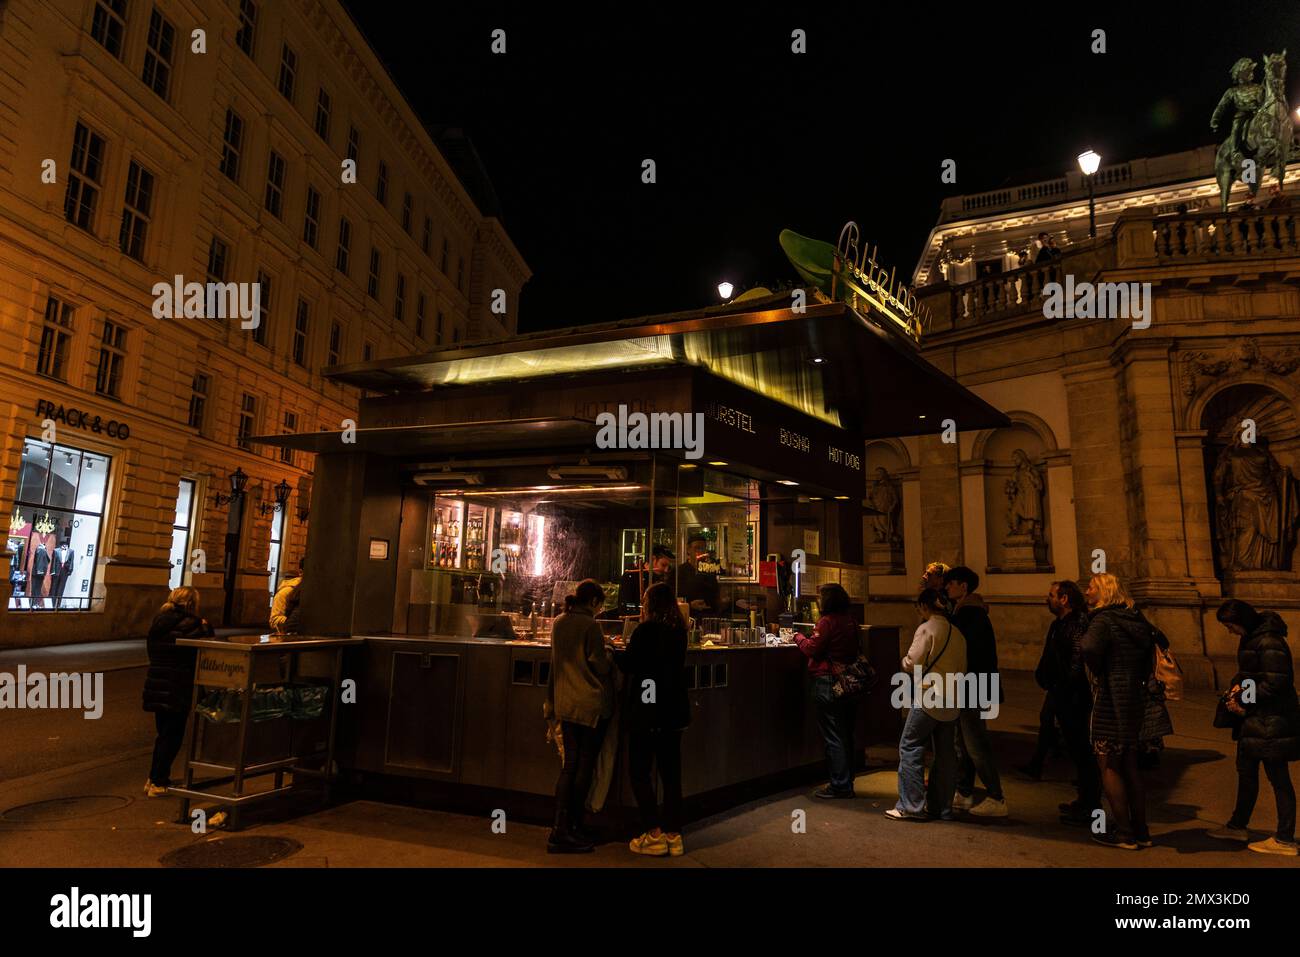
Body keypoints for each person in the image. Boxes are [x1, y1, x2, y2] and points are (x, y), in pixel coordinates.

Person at [1081, 572, 1172, 849]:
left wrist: (1099, 671)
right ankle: (1141, 830)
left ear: (1105, 592)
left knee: (1108, 764)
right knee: (1131, 766)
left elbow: (1088, 647)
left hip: (1111, 699)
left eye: (1092, 587)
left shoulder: (1103, 620)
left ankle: (1123, 832)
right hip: (1135, 698)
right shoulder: (1136, 619)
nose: (1086, 591)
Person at [1208, 599, 1300, 855]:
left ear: (1243, 621)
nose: (1229, 630)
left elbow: (1275, 683)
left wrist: (1242, 701)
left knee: (1278, 778)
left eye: (1230, 625)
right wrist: (1236, 692)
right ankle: (1238, 825)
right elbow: (1251, 675)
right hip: (1256, 720)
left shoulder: (1269, 641)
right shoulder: (1251, 637)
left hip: (1272, 721)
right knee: (1246, 772)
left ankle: (1285, 839)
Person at [615, 582, 691, 857]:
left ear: (650, 604)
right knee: (671, 775)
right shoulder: (680, 631)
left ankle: (653, 833)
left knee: (639, 771)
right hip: (674, 711)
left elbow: (632, 664)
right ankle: (674, 834)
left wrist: (613, 653)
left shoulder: (645, 630)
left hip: (647, 710)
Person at [544, 579, 614, 853]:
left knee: (569, 765)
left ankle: (559, 828)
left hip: (565, 702)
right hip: (588, 704)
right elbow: (600, 665)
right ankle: (573, 826)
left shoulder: (559, 622)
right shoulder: (591, 626)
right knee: (585, 766)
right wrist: (608, 651)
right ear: (595, 602)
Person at [887, 588, 967, 821]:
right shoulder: (958, 634)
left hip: (929, 696)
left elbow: (912, 662)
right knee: (945, 754)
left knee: (910, 746)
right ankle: (942, 807)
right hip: (952, 697)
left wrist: (903, 661)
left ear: (924, 606)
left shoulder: (927, 629)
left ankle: (910, 806)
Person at [1036, 581, 1104, 826]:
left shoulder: (1077, 624)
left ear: (1064, 599)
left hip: (1073, 696)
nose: (1048, 599)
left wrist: (1064, 685)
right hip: (1061, 692)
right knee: (1076, 750)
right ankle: (1084, 800)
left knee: (1082, 751)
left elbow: (1077, 660)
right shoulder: (1059, 624)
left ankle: (1091, 805)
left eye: (1051, 595)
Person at [944, 566, 1008, 817]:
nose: (947, 587)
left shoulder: (968, 614)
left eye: (952, 583)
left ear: (964, 587)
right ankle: (964, 792)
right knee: (965, 741)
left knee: (975, 743)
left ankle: (996, 796)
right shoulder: (969, 611)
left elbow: (963, 652)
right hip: (975, 684)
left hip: (971, 685)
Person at [142, 587, 215, 796]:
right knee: (172, 736)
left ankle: (154, 777)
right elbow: (207, 644)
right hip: (178, 686)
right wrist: (205, 626)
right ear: (192, 604)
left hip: (156, 684)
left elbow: (152, 651)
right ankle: (158, 781)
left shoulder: (159, 622)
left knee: (163, 734)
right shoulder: (195, 624)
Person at [793, 583, 862, 799]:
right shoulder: (851, 620)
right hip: (849, 682)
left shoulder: (826, 622)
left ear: (828, 600)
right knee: (846, 733)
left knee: (833, 734)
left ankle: (840, 785)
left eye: (820, 596)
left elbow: (812, 648)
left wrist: (797, 637)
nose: (817, 599)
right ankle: (847, 780)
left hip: (828, 681)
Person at [617, 543, 673, 615]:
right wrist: (644, 610)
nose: (666, 570)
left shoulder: (660, 578)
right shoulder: (632, 574)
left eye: (669, 567)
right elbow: (625, 605)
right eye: (663, 565)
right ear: (653, 559)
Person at [270, 560, 304, 635]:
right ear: (301, 572)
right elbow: (274, 619)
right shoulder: (286, 592)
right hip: (289, 635)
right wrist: (290, 621)